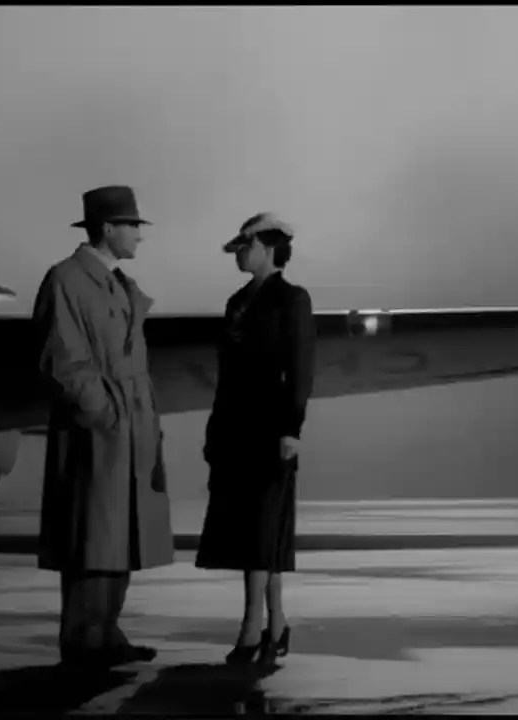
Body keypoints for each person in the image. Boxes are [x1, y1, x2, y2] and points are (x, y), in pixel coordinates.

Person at [32, 185, 175, 668]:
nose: (140, 235)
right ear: (108, 228)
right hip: (98, 434)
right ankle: (82, 641)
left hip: (128, 430)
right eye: (133, 225)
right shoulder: (67, 280)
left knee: (119, 537)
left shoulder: (116, 285)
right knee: (92, 540)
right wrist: (107, 415)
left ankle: (107, 632)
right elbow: (64, 361)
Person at [196, 212, 317, 666]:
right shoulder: (237, 302)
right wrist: (214, 429)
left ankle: (251, 628)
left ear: (267, 247)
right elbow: (227, 374)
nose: (240, 255)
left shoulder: (292, 299)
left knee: (262, 529)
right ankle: (277, 623)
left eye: (245, 247)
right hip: (235, 428)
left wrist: (292, 428)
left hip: (271, 428)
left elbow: (301, 369)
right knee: (258, 530)